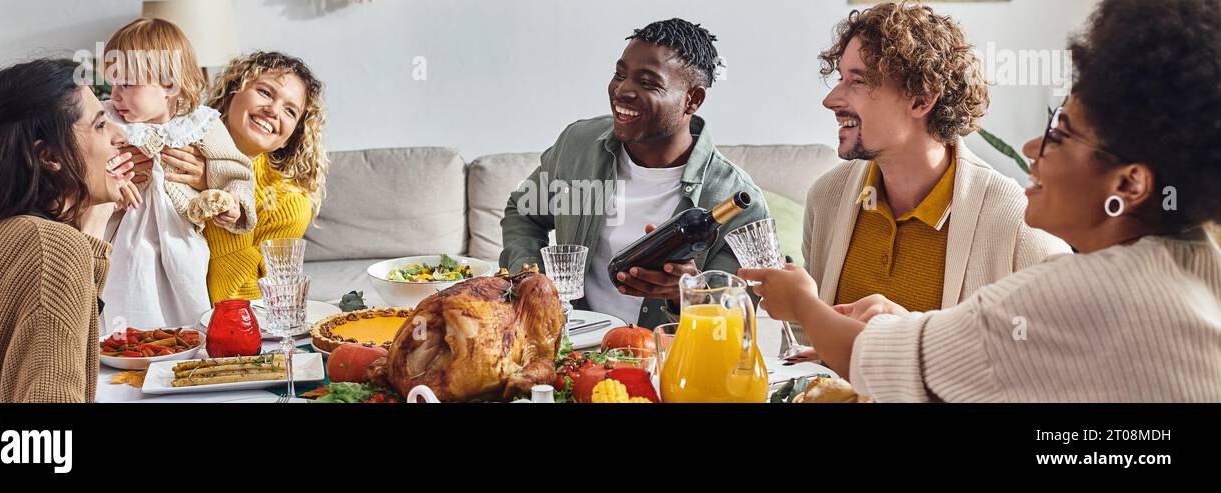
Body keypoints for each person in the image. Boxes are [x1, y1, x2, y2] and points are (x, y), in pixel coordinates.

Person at [743, 0, 1221, 402]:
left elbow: (896, 359)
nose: (1033, 147)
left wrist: (804, 304)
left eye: (1062, 133)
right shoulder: (1200, 262)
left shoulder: (1064, 283)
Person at [793, 2, 1070, 358]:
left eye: (857, 81)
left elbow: (1062, 360)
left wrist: (912, 336)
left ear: (921, 99)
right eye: (840, 79)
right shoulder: (827, 197)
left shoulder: (1017, 222)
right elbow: (808, 350)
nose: (831, 99)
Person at [499, 18, 769, 328]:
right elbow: (523, 212)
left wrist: (687, 297)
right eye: (620, 75)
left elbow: (733, 321)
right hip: (573, 349)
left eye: (648, 82)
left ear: (692, 100)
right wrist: (529, 280)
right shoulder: (577, 146)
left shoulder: (735, 203)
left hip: (664, 361)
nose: (622, 91)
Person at [0, 59, 135, 402]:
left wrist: (92, 225)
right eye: (99, 125)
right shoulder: (50, 246)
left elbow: (50, 329)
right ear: (49, 156)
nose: (121, 136)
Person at [128, 51, 330, 302]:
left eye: (290, 111)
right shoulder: (175, 137)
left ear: (289, 137)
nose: (273, 110)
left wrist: (218, 190)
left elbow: (241, 301)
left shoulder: (288, 203)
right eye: (265, 92)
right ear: (232, 92)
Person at [101, 17, 256, 328]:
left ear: (168, 85)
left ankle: (185, 347)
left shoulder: (199, 123)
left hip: (179, 233)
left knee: (185, 293)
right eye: (113, 83)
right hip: (121, 233)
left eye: (128, 85)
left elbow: (236, 171)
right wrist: (109, 183)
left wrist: (232, 202)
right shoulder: (104, 120)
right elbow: (83, 166)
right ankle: (123, 349)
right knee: (126, 281)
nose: (116, 95)